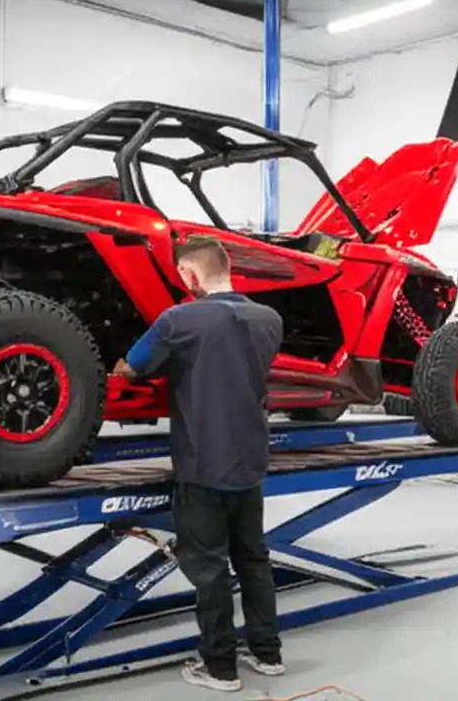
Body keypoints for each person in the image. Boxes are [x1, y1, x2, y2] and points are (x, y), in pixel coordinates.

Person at [113, 234, 285, 692]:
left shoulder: (178, 320)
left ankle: (220, 668)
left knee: (209, 569)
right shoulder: (269, 319)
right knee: (253, 558)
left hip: (203, 465)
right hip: (250, 461)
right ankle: (268, 655)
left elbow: (132, 369)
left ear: (189, 276)